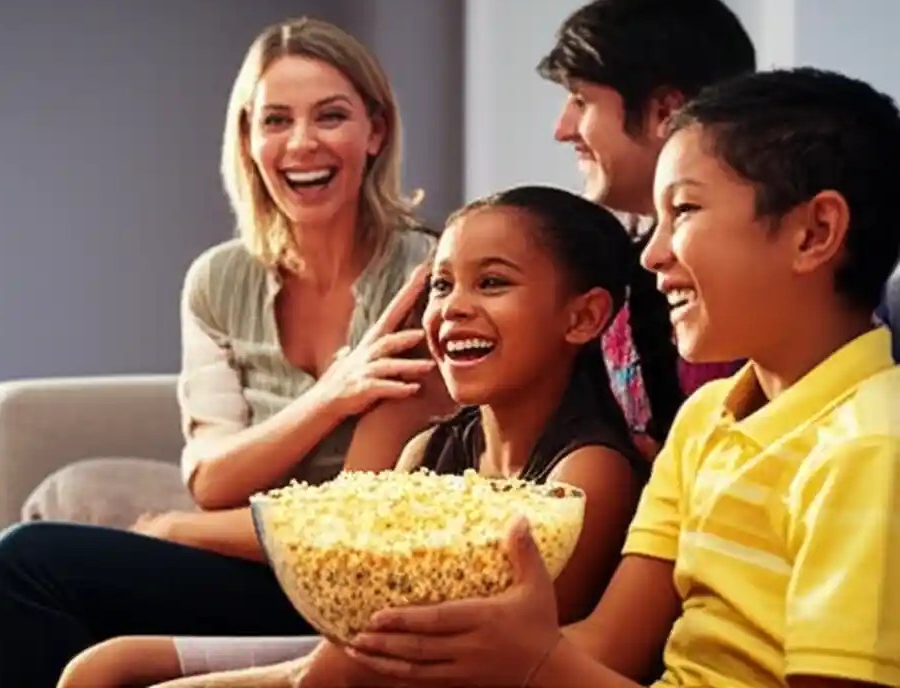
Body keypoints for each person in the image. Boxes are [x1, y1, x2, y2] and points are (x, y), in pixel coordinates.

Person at [0, 16, 438, 687]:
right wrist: (331, 397)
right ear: (246, 138)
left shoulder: (426, 278)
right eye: (275, 120)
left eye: (330, 116)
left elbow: (352, 523)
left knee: (25, 562)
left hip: (341, 584)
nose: (302, 143)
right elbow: (212, 478)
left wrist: (183, 531)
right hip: (252, 562)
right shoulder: (218, 281)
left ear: (376, 131)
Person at [339, 68, 900, 688]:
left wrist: (540, 664)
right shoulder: (706, 416)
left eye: (683, 210)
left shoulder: (873, 448)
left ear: (814, 233)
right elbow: (609, 646)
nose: (651, 253)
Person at [58, 186, 654, 688]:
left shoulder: (587, 474)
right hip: (361, 655)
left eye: (492, 283)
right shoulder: (428, 452)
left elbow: (532, 654)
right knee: (102, 669)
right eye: (442, 287)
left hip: (430, 675)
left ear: (581, 317)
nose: (454, 309)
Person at [536, 0, 756, 455]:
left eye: (581, 101)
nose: (562, 128)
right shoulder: (622, 260)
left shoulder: (749, 275)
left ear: (666, 112)